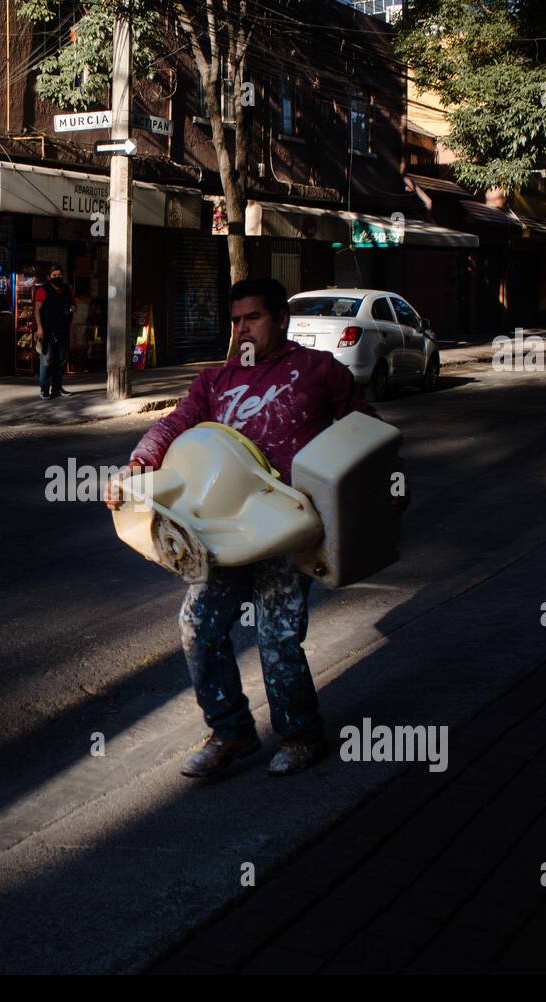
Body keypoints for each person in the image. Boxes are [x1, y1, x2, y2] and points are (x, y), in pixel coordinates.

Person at [104, 277, 403, 779]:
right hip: (222, 529)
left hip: (287, 527)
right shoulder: (213, 381)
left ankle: (301, 735)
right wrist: (137, 464)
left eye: (254, 318)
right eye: (237, 320)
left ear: (280, 321)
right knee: (199, 627)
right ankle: (231, 731)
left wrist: (383, 487)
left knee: (276, 636)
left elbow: (364, 432)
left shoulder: (317, 371)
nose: (243, 329)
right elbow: (174, 426)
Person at [34, 264, 75, 399]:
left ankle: (57, 388)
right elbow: (37, 310)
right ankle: (44, 389)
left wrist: (72, 308)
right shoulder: (43, 290)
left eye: (60, 275)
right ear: (48, 277)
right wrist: (40, 328)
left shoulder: (67, 290)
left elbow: (73, 305)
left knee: (61, 360)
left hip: (63, 329)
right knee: (47, 360)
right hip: (47, 330)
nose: (57, 277)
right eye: (54, 275)